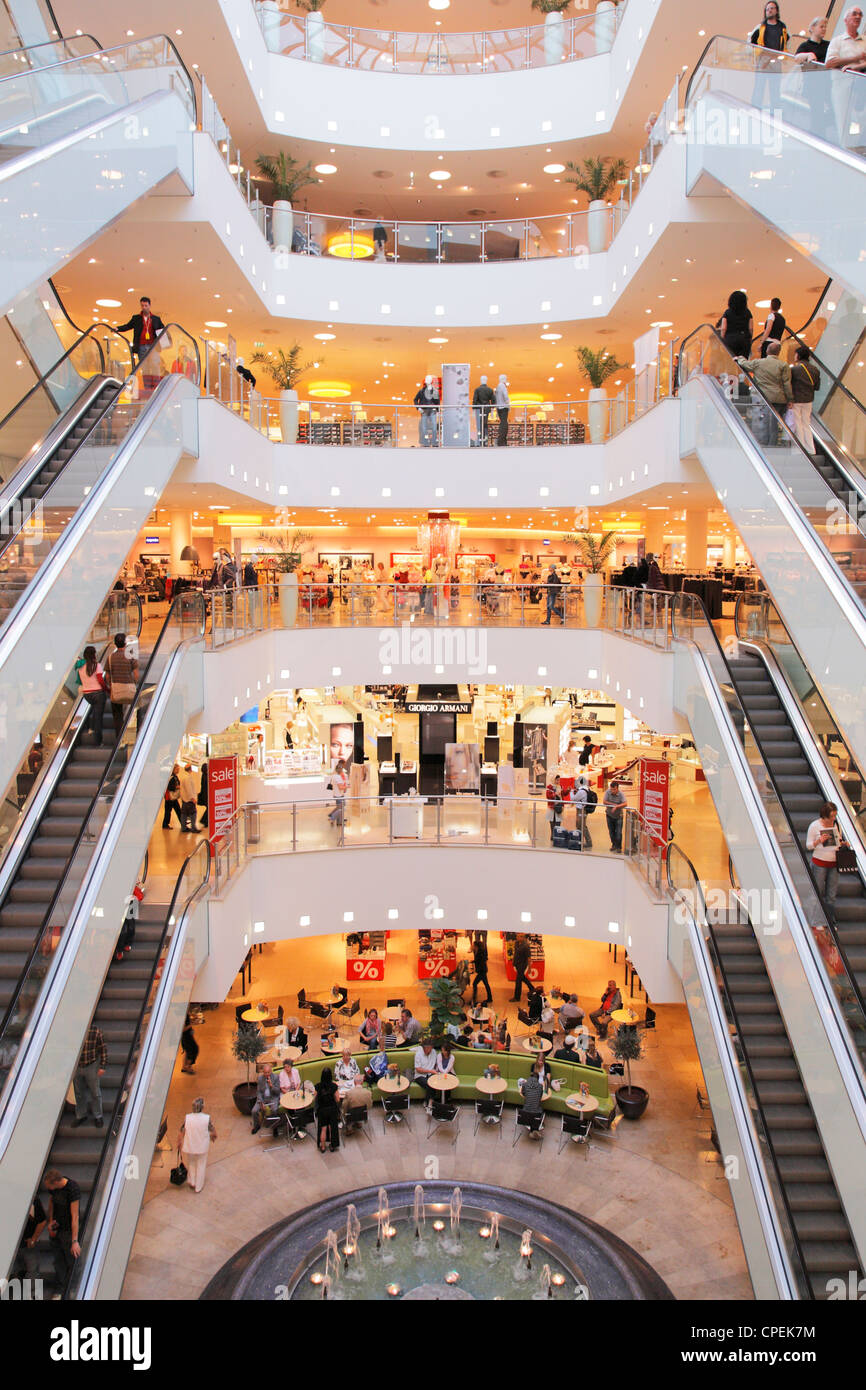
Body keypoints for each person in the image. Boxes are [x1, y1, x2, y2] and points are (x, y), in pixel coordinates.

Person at [736, 339, 792, 446]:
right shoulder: (783, 365)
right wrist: (790, 399)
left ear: (767, 351)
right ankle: (773, 443)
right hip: (779, 399)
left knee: (764, 421)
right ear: (778, 352)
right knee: (774, 423)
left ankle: (764, 443)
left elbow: (745, 364)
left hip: (764, 398)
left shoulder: (759, 363)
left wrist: (740, 358)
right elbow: (787, 384)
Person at [806, 801, 845, 926]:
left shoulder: (836, 825)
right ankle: (813, 920)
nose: (833, 819)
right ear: (824, 815)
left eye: (835, 816)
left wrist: (843, 844)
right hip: (819, 863)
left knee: (831, 894)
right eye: (831, 816)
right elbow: (808, 846)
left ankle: (829, 921)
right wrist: (818, 841)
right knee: (816, 892)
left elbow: (838, 842)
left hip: (834, 864)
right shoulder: (814, 826)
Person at [44, 1169, 81, 1287]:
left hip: (67, 1230)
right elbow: (51, 1203)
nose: (48, 1189)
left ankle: (73, 1287)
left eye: (49, 1186)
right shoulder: (54, 1190)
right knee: (58, 1258)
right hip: (56, 1228)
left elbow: (75, 1216)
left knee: (71, 1260)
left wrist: (74, 1241)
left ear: (55, 1183)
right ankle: (62, 1283)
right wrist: (50, 1222)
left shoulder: (72, 1188)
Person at [72, 1021, 107, 1128]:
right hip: (77, 1065)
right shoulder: (74, 1031)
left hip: (91, 1065)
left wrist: (102, 1066)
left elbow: (103, 1049)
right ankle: (81, 1115)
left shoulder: (95, 1031)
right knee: (78, 1092)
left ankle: (98, 1116)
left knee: (95, 1092)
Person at [178, 1097, 217, 1192]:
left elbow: (182, 1130)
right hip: (202, 1146)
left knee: (191, 1162)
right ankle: (198, 1186)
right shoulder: (206, 1118)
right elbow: (212, 1130)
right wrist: (213, 1136)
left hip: (190, 1145)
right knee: (201, 1164)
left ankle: (192, 1181)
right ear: (202, 1107)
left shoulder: (188, 1117)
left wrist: (179, 1141)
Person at [788, 345, 821, 453]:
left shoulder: (795, 369)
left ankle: (799, 449)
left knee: (798, 423)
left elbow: (789, 385)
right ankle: (811, 449)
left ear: (798, 355)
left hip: (797, 399)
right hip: (809, 400)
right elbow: (817, 387)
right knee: (806, 423)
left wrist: (790, 399)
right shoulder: (815, 370)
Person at [106, 633, 139, 740]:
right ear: (125, 643)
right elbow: (136, 674)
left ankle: (119, 737)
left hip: (116, 689)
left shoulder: (110, 658)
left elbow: (107, 676)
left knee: (117, 714)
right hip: (129, 688)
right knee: (135, 709)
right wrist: (134, 683)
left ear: (115, 644)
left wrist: (110, 686)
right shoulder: (131, 656)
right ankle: (135, 735)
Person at [116, 295, 167, 364]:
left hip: (153, 346)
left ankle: (155, 375)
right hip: (141, 346)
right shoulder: (136, 318)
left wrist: (165, 342)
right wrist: (118, 328)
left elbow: (163, 330)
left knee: (155, 365)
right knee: (144, 366)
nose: (144, 307)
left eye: (146, 305)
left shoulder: (156, 319)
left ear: (149, 305)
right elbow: (128, 326)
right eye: (142, 305)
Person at [74, 645, 107, 746]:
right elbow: (100, 680)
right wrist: (106, 689)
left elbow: (81, 680)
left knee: (93, 711)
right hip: (98, 693)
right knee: (98, 717)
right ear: (94, 654)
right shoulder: (97, 665)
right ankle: (98, 741)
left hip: (87, 694)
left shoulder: (80, 666)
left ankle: (90, 728)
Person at [14, 1194, 47, 1283]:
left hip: (27, 1243)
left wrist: (33, 1239)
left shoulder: (33, 1200)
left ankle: (30, 1294)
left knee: (32, 1270)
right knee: (16, 1271)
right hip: (12, 1245)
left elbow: (42, 1221)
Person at [718, 289, 754, 359]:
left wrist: (722, 340)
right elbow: (751, 328)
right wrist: (749, 338)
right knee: (743, 363)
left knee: (730, 362)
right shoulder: (747, 312)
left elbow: (723, 328)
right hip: (744, 339)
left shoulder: (727, 312)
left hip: (730, 340)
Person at [250, 1063, 282, 1134]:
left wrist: (271, 1086)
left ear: (271, 1071)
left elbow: (277, 1092)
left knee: (274, 1110)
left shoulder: (276, 1077)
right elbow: (258, 1092)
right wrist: (261, 1102)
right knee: (254, 1111)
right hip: (263, 1098)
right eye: (265, 1072)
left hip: (273, 1098)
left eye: (268, 1072)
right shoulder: (260, 1079)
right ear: (263, 1072)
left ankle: (275, 1127)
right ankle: (256, 1126)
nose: (267, 1074)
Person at [315, 1067, 341, 1151]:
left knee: (323, 1128)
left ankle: (322, 1147)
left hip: (322, 1110)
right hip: (332, 1110)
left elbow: (314, 1097)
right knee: (331, 1128)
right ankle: (332, 1146)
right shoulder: (334, 1086)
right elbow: (338, 1099)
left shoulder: (318, 1086)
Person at [517, 1063, 546, 1135]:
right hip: (536, 1114)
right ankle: (534, 1129)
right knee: (538, 1109)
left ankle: (533, 1129)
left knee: (530, 1108)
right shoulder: (540, 1086)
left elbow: (523, 1093)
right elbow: (540, 1096)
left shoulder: (525, 1084)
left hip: (524, 1114)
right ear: (538, 1079)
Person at [414, 376, 440, 447]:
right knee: (424, 427)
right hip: (424, 411)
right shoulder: (421, 391)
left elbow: (437, 402)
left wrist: (437, 410)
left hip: (432, 411)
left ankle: (434, 442)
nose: (427, 381)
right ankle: (425, 442)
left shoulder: (434, 390)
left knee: (434, 427)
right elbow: (415, 399)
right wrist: (418, 407)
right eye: (426, 380)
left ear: (431, 381)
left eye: (429, 380)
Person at [411, 1039, 438, 1105]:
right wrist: (430, 1071)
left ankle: (428, 1102)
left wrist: (435, 1071)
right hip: (419, 1075)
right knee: (429, 1084)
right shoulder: (418, 1054)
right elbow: (418, 1069)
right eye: (428, 1048)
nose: (430, 1049)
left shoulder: (434, 1052)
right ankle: (429, 1102)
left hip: (431, 1074)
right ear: (424, 1048)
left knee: (434, 1083)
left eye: (431, 1047)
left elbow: (435, 1064)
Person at [603, 779, 627, 851]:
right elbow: (604, 801)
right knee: (611, 832)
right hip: (609, 816)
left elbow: (625, 803)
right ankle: (614, 845)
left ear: (617, 789)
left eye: (614, 789)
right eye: (611, 789)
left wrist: (617, 806)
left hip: (618, 816)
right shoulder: (608, 792)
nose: (612, 791)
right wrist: (613, 804)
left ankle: (619, 847)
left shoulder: (621, 794)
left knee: (619, 832)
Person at [473, 375, 496, 446]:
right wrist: (492, 409)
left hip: (479, 409)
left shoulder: (477, 390)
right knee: (485, 424)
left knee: (479, 425)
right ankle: (485, 440)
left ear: (480, 381)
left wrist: (474, 409)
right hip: (486, 409)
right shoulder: (490, 390)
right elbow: (493, 401)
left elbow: (474, 401)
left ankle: (480, 440)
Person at [328, 758, 349, 828]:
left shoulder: (335, 776)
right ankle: (332, 817)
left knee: (340, 807)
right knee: (341, 808)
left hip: (338, 795)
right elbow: (341, 787)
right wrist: (348, 787)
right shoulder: (338, 777)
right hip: (339, 795)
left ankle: (339, 821)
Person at [178, 763, 199, 833]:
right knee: (193, 813)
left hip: (184, 799)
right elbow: (189, 789)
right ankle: (193, 827)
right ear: (191, 769)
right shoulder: (187, 778)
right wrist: (192, 798)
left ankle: (183, 827)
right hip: (189, 799)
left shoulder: (183, 777)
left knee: (184, 813)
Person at [471, 935, 492, 1004]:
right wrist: (473, 961)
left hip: (481, 971)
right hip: (483, 970)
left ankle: (474, 998)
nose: (472, 946)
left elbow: (479, 961)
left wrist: (473, 962)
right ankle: (490, 998)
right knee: (486, 984)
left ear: (476, 946)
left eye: (473, 945)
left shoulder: (480, 952)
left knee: (474, 983)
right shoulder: (479, 951)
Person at [511, 934, 532, 1001]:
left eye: (518, 936)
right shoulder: (516, 943)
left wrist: (529, 968)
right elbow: (515, 953)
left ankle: (517, 997)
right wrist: (513, 961)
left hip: (522, 965)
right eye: (517, 936)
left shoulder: (526, 946)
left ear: (523, 937)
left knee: (518, 981)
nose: (516, 937)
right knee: (522, 977)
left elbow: (529, 958)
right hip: (517, 963)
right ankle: (532, 988)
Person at [162, 764, 182, 829]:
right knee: (170, 811)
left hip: (171, 798)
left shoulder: (174, 776)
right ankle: (165, 824)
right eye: (177, 769)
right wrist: (177, 787)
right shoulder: (171, 777)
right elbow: (170, 787)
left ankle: (183, 823)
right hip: (170, 797)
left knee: (176, 810)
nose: (178, 770)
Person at [494, 373, 510, 446]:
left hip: (499, 407)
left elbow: (496, 397)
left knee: (502, 423)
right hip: (503, 407)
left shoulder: (497, 387)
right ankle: (502, 441)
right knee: (504, 424)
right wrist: (508, 403)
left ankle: (501, 440)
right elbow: (506, 396)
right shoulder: (502, 386)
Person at [197, 761, 208, 829]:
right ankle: (204, 821)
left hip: (204, 795)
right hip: (206, 795)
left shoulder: (203, 775)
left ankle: (204, 821)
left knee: (208, 808)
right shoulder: (206, 776)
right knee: (209, 808)